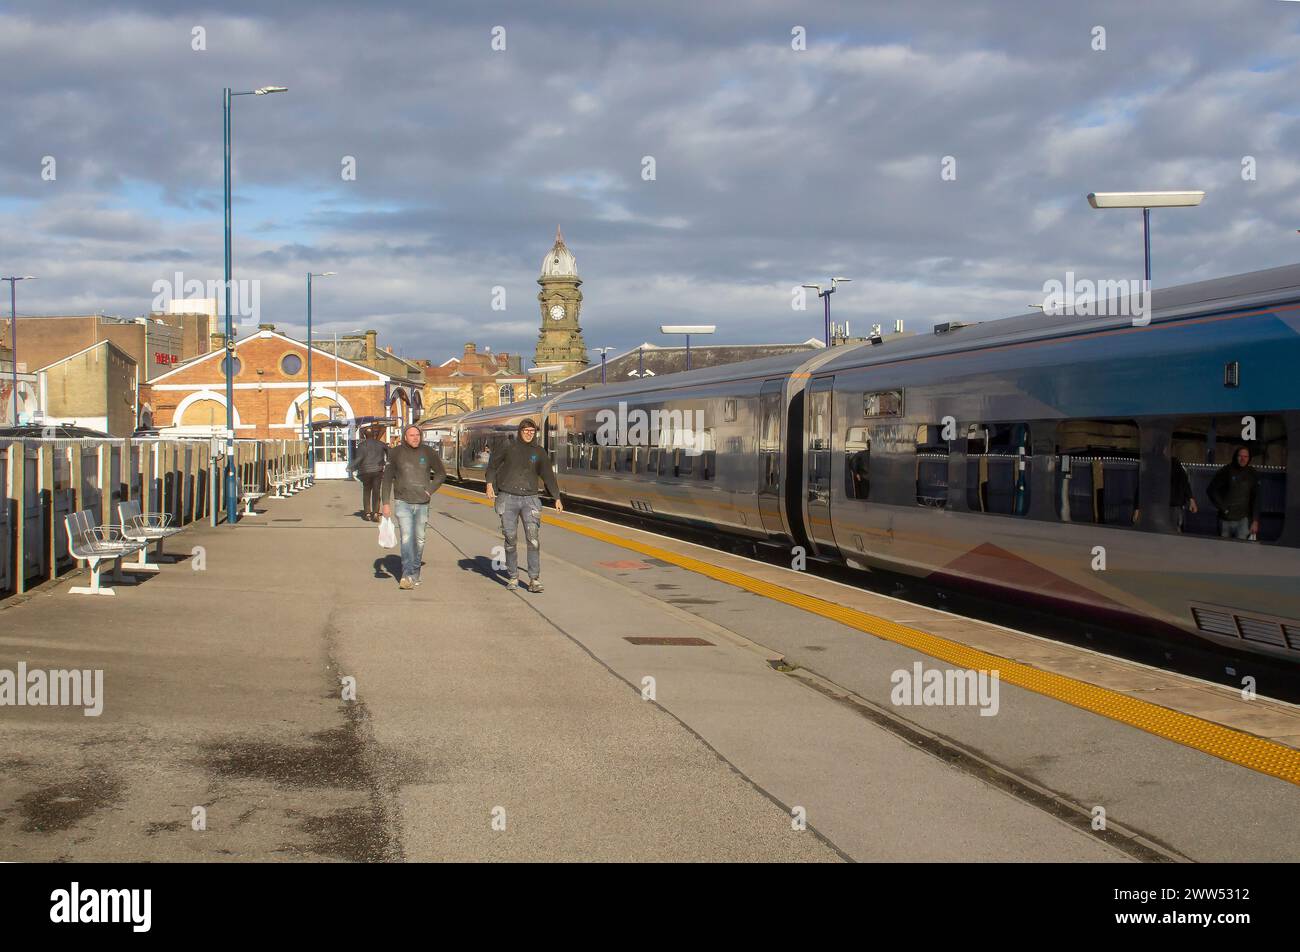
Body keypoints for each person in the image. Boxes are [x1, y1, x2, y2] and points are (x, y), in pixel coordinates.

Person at [485, 418, 562, 592]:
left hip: (531, 499)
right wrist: (489, 484)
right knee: (510, 539)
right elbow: (493, 465)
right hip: (507, 497)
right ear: (520, 431)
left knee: (533, 540)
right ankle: (513, 577)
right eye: (526, 431)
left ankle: (534, 579)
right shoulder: (508, 446)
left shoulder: (539, 452)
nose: (529, 434)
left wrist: (556, 496)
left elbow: (548, 476)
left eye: (532, 431)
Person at [380, 424, 447, 590]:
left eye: (417, 435)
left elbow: (441, 474)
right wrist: (386, 503)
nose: (415, 438)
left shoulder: (428, 452)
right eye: (411, 435)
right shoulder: (395, 453)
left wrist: (430, 490)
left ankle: (415, 570)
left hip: (422, 503)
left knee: (419, 539)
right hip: (402, 501)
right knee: (407, 537)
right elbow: (387, 478)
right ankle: (407, 574)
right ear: (405, 437)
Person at [1207, 445, 1260, 540]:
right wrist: (1223, 508)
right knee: (1223, 551)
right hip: (1225, 520)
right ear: (1236, 456)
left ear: (1249, 458)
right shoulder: (1226, 471)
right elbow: (1211, 490)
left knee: (1241, 551)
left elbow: (1256, 498)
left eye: (1246, 457)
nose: (1243, 459)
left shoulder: (1252, 473)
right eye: (1240, 456)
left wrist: (1255, 520)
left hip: (1243, 520)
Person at [347, 428, 388, 521]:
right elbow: (390, 452)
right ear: (374, 434)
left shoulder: (361, 445)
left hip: (365, 471)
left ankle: (368, 513)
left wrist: (350, 466)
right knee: (376, 492)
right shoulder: (381, 444)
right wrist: (387, 463)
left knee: (367, 491)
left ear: (365, 436)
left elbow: (359, 458)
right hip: (378, 470)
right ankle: (376, 514)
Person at [1169, 458, 1198, 532]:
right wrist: (1191, 499)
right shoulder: (1177, 466)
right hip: (1176, 503)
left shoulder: (1162, 465)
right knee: (1176, 527)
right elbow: (1185, 483)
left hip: (1166, 502)